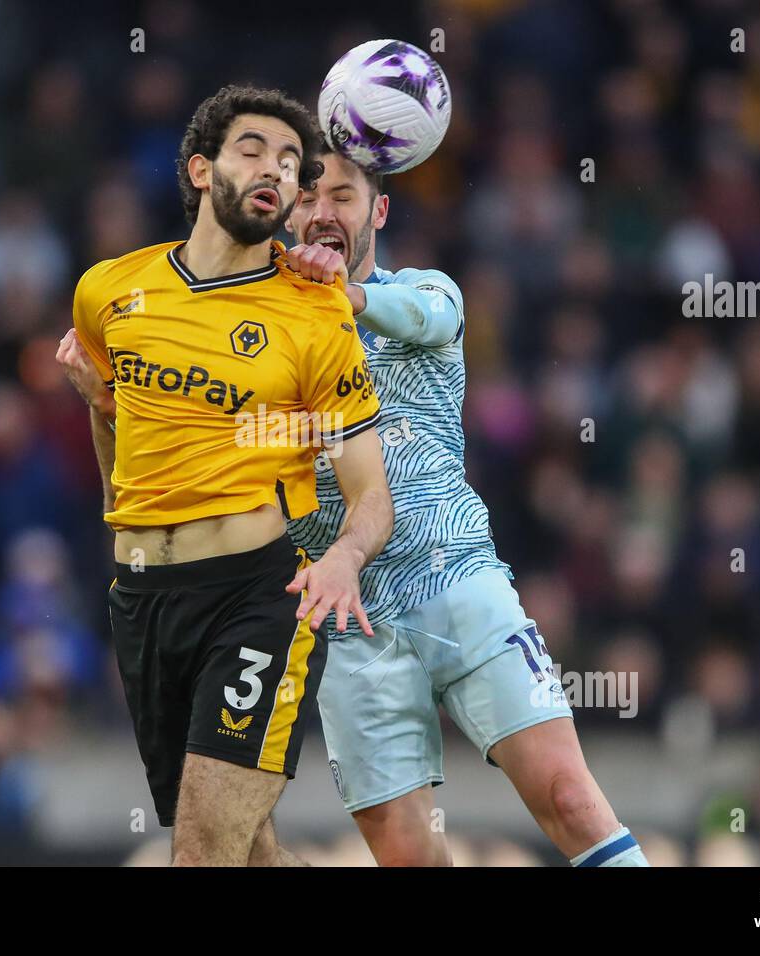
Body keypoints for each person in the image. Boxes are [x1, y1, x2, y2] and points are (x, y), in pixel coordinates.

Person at [276, 149, 649, 867]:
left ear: (377, 212)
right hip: (352, 624)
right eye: (309, 197)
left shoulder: (423, 293)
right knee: (411, 859)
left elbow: (431, 313)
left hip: (462, 586)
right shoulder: (263, 343)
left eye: (344, 196)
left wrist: (345, 297)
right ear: (288, 214)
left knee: (569, 798)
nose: (324, 212)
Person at [56, 87, 393, 866]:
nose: (275, 167)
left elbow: (372, 494)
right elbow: (120, 474)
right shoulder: (107, 292)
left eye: (290, 161)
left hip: (255, 599)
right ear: (202, 169)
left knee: (202, 850)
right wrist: (100, 406)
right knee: (246, 854)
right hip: (141, 599)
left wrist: (344, 557)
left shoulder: (315, 315)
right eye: (254, 149)